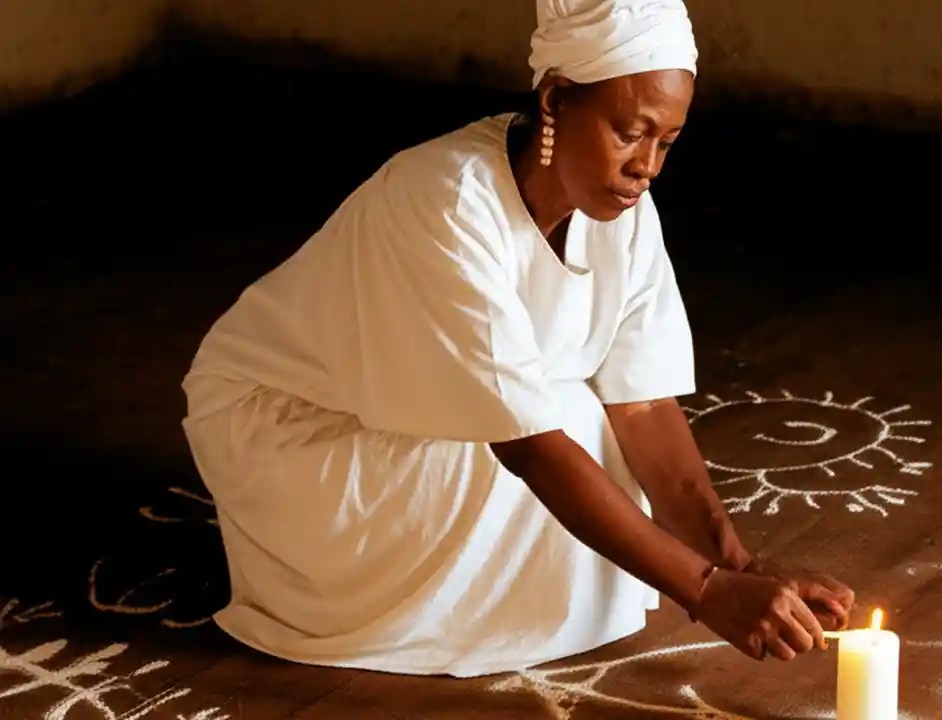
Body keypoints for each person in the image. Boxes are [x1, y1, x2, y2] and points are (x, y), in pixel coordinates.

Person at [179, 0, 856, 678]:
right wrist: (706, 592)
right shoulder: (444, 201)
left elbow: (643, 406)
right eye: (630, 132)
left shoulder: (626, 211)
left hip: (444, 419)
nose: (646, 166)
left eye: (666, 143)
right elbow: (525, 444)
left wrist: (742, 567)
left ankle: (524, 611)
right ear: (557, 99)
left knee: (585, 421)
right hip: (292, 430)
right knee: (544, 429)